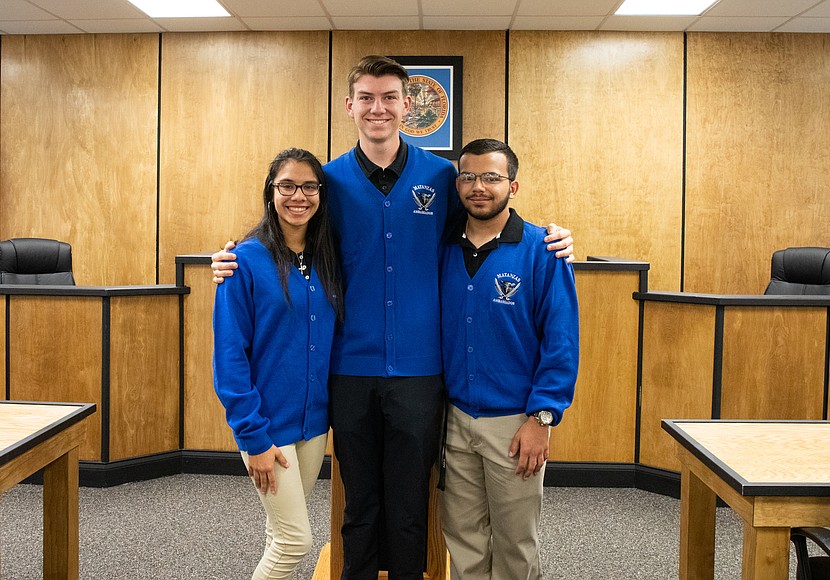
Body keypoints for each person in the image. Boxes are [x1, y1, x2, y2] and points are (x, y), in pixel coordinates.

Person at [211, 56, 575, 579]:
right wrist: (232, 254)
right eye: (367, 98)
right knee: (360, 503)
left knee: (411, 505)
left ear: (408, 106)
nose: (378, 108)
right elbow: (288, 236)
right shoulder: (328, 182)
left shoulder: (443, 178)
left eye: (389, 98)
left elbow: (486, 225)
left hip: (420, 373)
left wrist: (552, 237)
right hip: (349, 371)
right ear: (350, 106)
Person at [439, 138, 579, 579]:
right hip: (454, 418)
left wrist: (543, 419)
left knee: (516, 544)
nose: (478, 186)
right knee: (463, 540)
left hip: (516, 424)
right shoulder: (439, 246)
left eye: (491, 177)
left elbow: (561, 342)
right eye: (468, 176)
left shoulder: (543, 250)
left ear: (513, 187)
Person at [212, 148, 344, 580]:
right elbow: (229, 358)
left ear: (320, 194)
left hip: (311, 426)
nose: (298, 196)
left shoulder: (328, 258)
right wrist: (252, 438)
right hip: (266, 427)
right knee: (295, 542)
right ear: (270, 193)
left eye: (308, 186)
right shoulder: (243, 261)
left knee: (279, 531)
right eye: (286, 186)